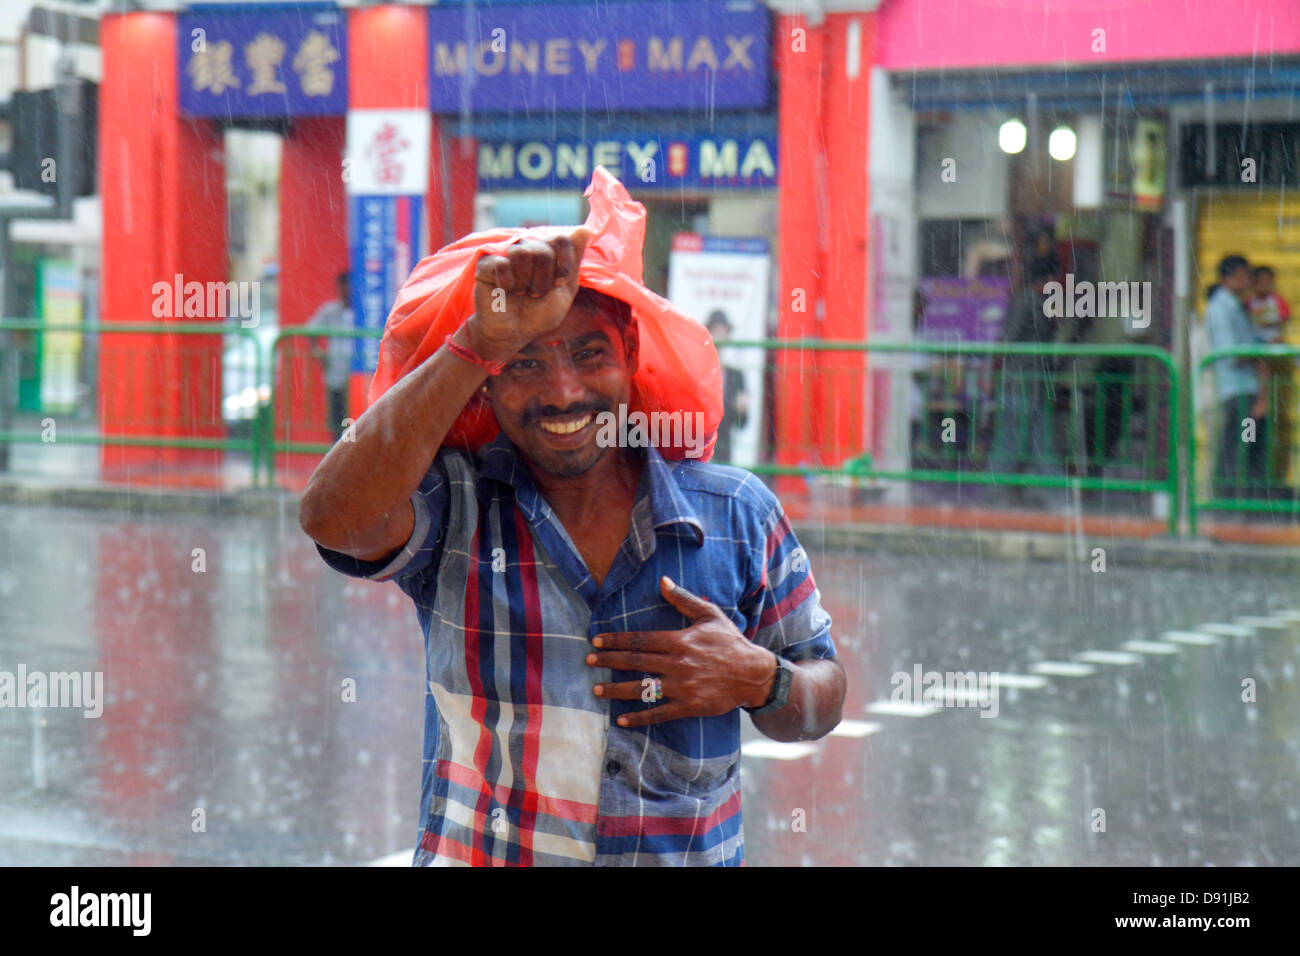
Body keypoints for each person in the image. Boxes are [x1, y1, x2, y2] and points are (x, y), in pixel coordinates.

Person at [299, 207, 844, 865]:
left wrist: (764, 681)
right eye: (525, 363)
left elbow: (824, 693)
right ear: (490, 383)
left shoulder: (738, 514)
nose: (562, 393)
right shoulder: (456, 505)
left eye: (590, 354)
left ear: (632, 357)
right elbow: (332, 518)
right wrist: (478, 340)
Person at [990, 233, 1058, 503]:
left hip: (1031, 383)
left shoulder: (1041, 303)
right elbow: (1008, 340)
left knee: (1034, 441)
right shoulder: (1026, 301)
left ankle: (1055, 496)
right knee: (1015, 441)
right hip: (1020, 383)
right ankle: (993, 495)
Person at [1206, 254, 1268, 499]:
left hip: (1248, 391)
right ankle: (1231, 499)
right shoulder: (1221, 308)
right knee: (1240, 445)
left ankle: (1241, 497)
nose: (1247, 281)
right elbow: (1230, 353)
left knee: (1247, 443)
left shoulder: (1237, 306)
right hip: (1239, 393)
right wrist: (1258, 353)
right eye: (1242, 276)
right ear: (1226, 279)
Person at [1250, 265, 1294, 489]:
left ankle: (1269, 481)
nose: (1266, 287)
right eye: (1262, 282)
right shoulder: (1247, 305)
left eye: (1270, 282)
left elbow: (1283, 319)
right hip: (1254, 382)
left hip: (1271, 374)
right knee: (1250, 430)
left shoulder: (1277, 302)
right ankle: (1251, 482)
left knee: (1270, 427)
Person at [307, 271, 354, 441]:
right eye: (342, 287)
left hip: (359, 376)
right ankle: (338, 452)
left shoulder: (366, 311)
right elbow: (310, 331)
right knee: (337, 418)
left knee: (357, 417)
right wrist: (318, 353)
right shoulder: (330, 311)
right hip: (336, 375)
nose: (346, 291)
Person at [705, 311, 750, 464]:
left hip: (723, 448)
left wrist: (741, 409)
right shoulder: (698, 371)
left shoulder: (736, 376)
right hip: (699, 445)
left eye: (723, 331)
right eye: (716, 330)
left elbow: (741, 423)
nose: (720, 336)